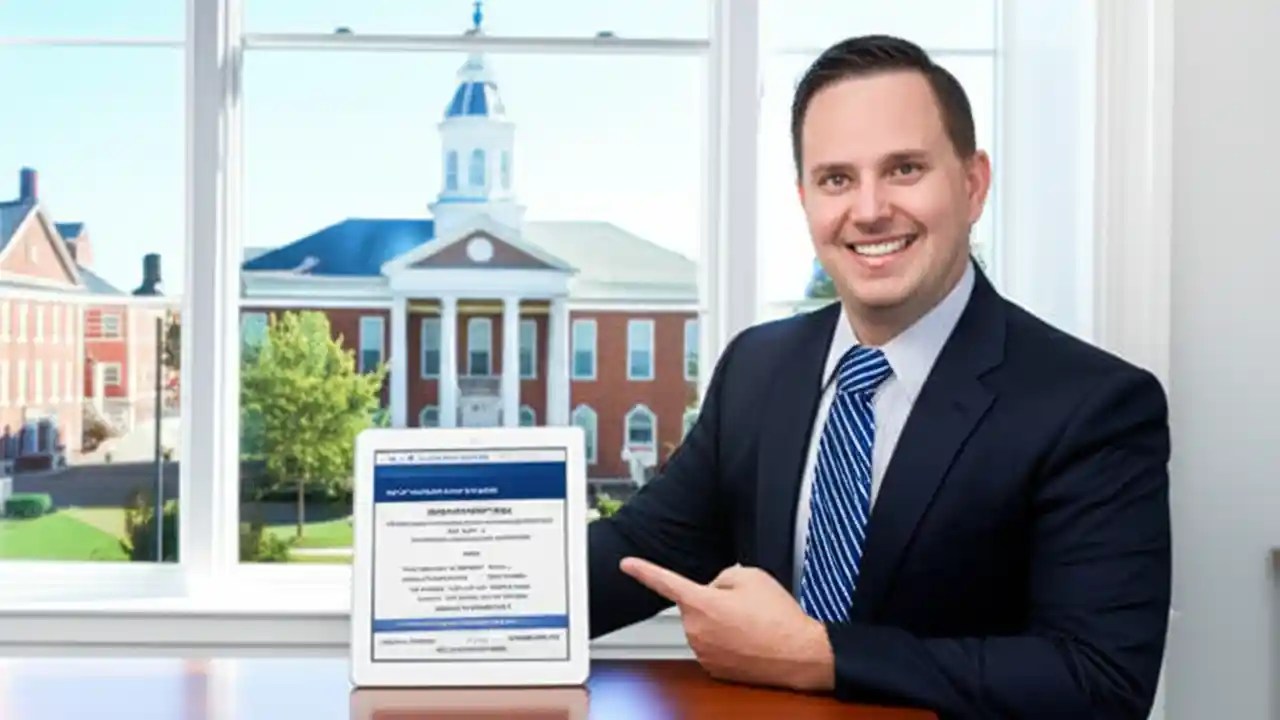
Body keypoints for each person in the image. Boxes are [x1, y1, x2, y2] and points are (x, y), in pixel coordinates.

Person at [587, 34, 1171, 720]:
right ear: (805, 199)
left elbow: (1097, 681)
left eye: (903, 169)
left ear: (973, 182)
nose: (868, 210)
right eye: (837, 179)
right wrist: (448, 580)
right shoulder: (757, 367)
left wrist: (820, 653)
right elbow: (642, 549)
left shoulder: (1093, 404)